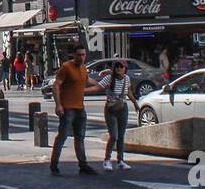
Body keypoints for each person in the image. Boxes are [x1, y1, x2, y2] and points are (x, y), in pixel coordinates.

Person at [51, 46, 96, 175]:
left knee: (80, 137)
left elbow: (87, 80)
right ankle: (54, 164)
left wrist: (103, 83)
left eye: (83, 55)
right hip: (67, 108)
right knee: (63, 136)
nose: (81, 57)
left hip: (80, 108)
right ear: (74, 55)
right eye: (79, 55)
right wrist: (58, 104)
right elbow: (56, 85)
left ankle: (83, 164)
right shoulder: (66, 67)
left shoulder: (83, 68)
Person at [99, 60, 139, 171]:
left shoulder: (127, 79)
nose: (119, 69)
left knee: (121, 136)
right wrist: (84, 89)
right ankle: (107, 160)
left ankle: (120, 160)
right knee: (114, 136)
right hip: (111, 109)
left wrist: (135, 103)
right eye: (117, 67)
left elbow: (129, 92)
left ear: (125, 69)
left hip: (123, 108)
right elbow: (98, 87)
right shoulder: (109, 78)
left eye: (121, 67)